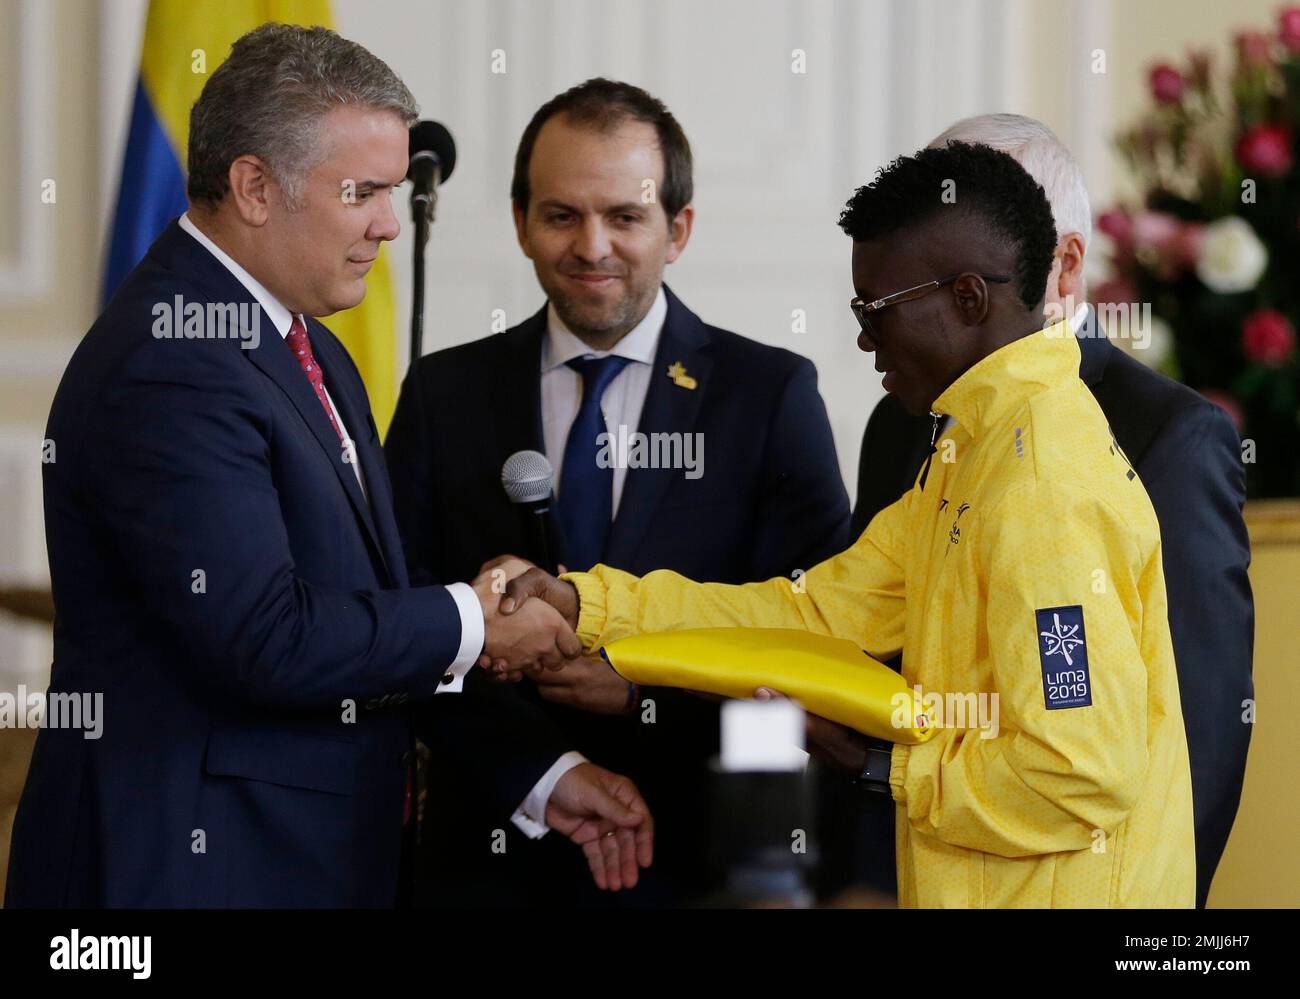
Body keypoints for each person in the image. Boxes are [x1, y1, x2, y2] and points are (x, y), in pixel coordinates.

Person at [5, 24, 650, 908]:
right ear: (255, 186)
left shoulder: (306, 342)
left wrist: (537, 774)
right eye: (366, 192)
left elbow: (363, 601)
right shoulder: (175, 357)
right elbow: (263, 636)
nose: (392, 222)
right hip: (191, 874)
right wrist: (475, 621)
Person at [495, 142, 1198, 908]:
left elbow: (1078, 774)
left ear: (967, 298)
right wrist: (588, 604)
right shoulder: (976, 447)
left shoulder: (1041, 482)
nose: (865, 339)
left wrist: (879, 764)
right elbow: (810, 610)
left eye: (875, 309)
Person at [385, 78, 849, 906]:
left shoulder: (768, 396)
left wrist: (642, 686)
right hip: (489, 859)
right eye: (561, 215)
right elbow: (395, 624)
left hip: (701, 864)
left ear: (679, 229)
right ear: (521, 221)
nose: (592, 246)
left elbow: (812, 646)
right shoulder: (440, 393)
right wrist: (542, 771)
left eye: (625, 217)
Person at [830, 115, 1252, 909]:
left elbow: (1194, 736)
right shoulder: (902, 419)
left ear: (1062, 262)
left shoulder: (1169, 434)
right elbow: (872, 653)